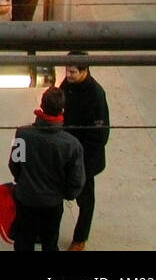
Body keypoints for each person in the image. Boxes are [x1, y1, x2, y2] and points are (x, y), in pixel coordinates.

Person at [8, 86, 85, 253]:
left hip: (25, 199)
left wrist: (22, 182)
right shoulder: (71, 145)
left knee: (23, 241)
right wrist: (67, 194)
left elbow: (14, 163)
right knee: (50, 242)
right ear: (62, 110)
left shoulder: (23, 134)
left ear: (42, 106)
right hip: (52, 203)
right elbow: (76, 179)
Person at [60, 54, 110, 251]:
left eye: (72, 72)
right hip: (66, 153)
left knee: (85, 201)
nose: (68, 75)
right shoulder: (68, 84)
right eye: (66, 70)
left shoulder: (96, 95)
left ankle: (80, 239)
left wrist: (80, 163)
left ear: (85, 71)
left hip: (84, 160)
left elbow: (99, 137)